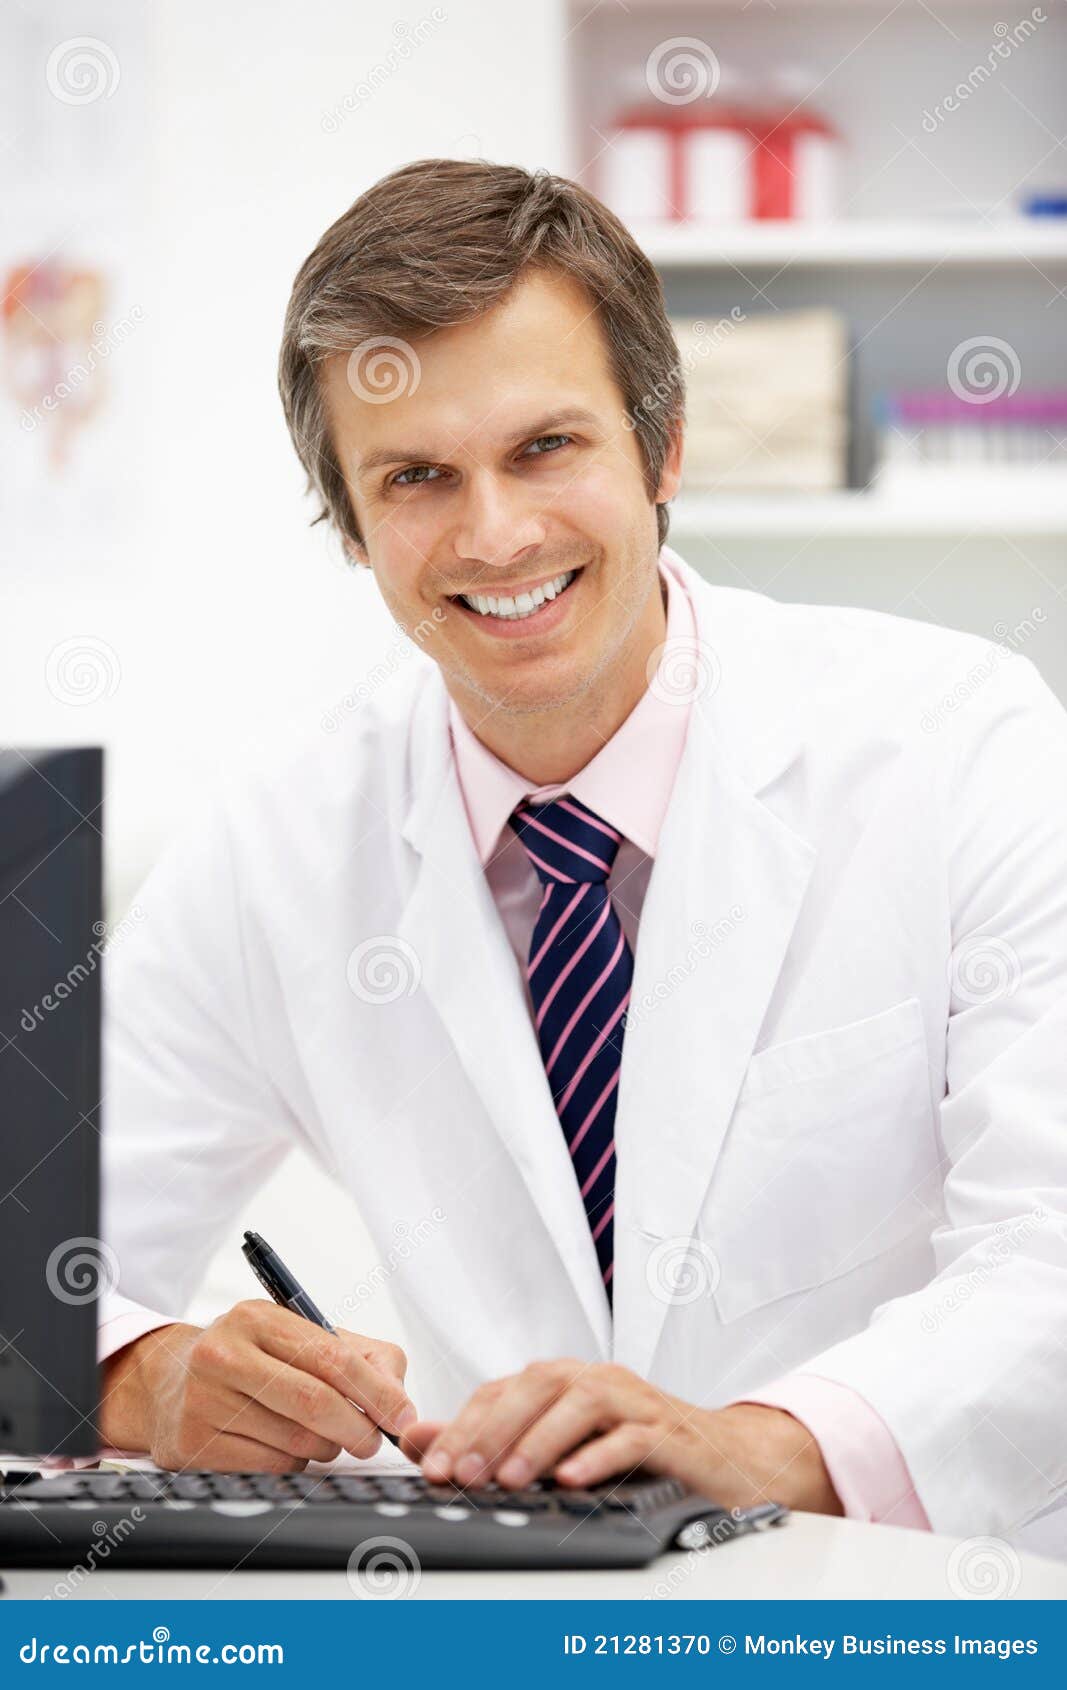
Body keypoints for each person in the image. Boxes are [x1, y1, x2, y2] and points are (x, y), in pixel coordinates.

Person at [97, 159, 1067, 1545]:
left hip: (916, 1611)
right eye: (418, 477)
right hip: (520, 1623)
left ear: (663, 450)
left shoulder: (962, 744)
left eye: (546, 448)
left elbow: (1055, 1254)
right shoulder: (282, 848)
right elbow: (35, 1243)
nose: (496, 533)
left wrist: (758, 1443)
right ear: (354, 527)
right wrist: (148, 1374)